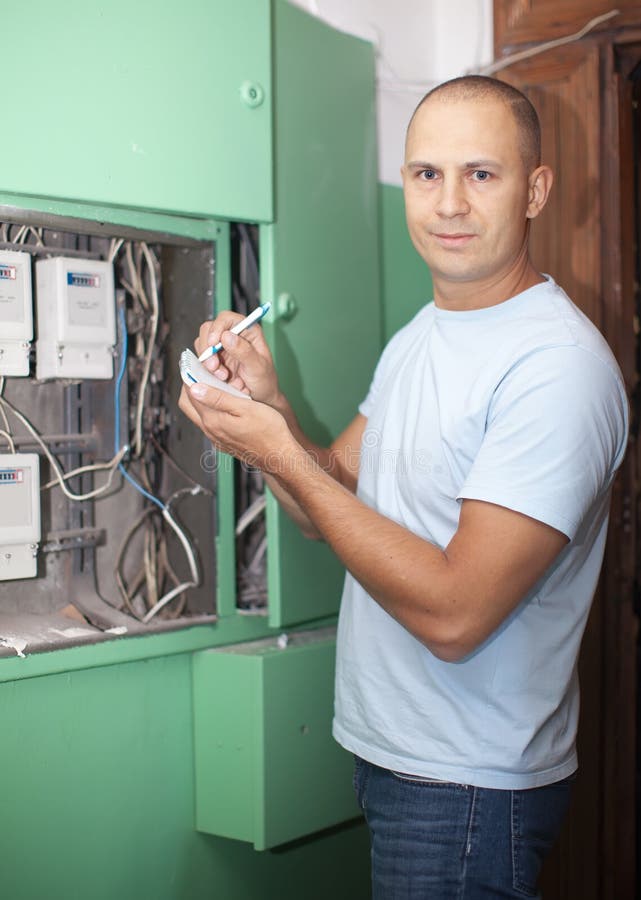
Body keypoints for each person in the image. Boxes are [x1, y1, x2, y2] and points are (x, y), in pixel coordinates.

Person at [179, 75, 628, 899]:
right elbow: (336, 496)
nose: (448, 203)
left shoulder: (556, 369)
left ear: (534, 190)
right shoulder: (421, 336)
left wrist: (276, 454)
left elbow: (457, 615)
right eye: (425, 175)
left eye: (480, 174)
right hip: (393, 757)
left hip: (468, 788)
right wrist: (268, 408)